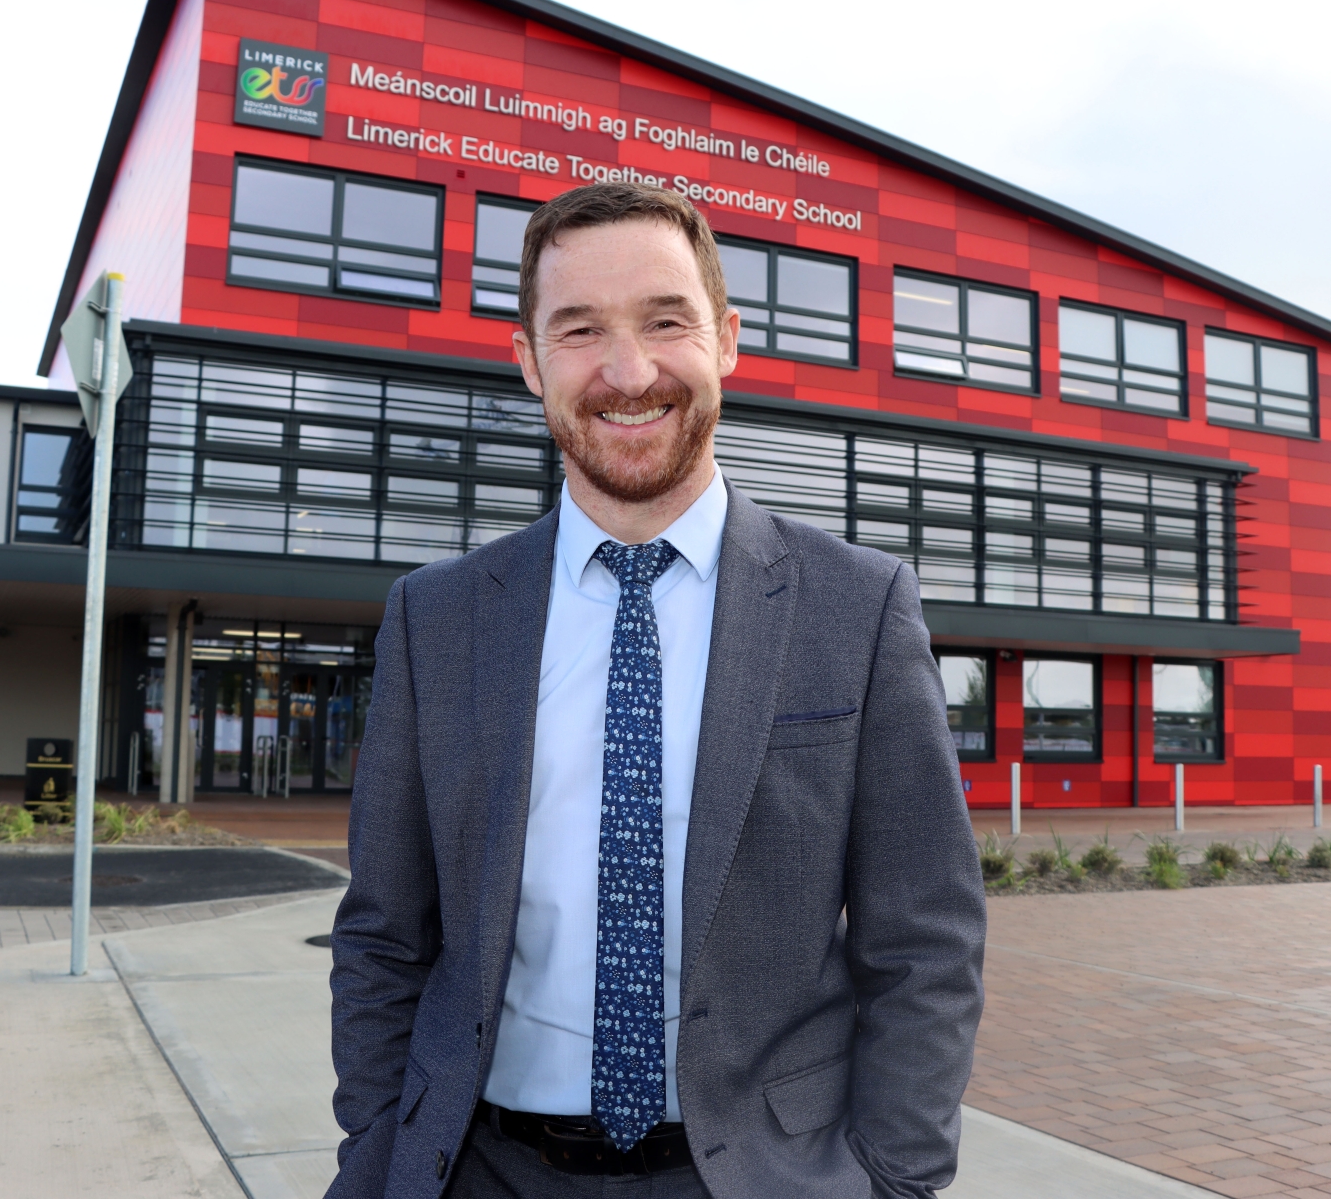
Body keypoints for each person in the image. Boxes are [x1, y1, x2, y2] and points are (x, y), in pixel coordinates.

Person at [326, 181, 985, 1199]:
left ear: (725, 339)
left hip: (765, 1176)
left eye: (664, 321)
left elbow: (925, 938)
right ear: (529, 359)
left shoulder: (858, 609)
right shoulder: (436, 619)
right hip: (478, 1169)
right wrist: (378, 1147)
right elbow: (383, 933)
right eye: (580, 328)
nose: (628, 372)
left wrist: (894, 1180)